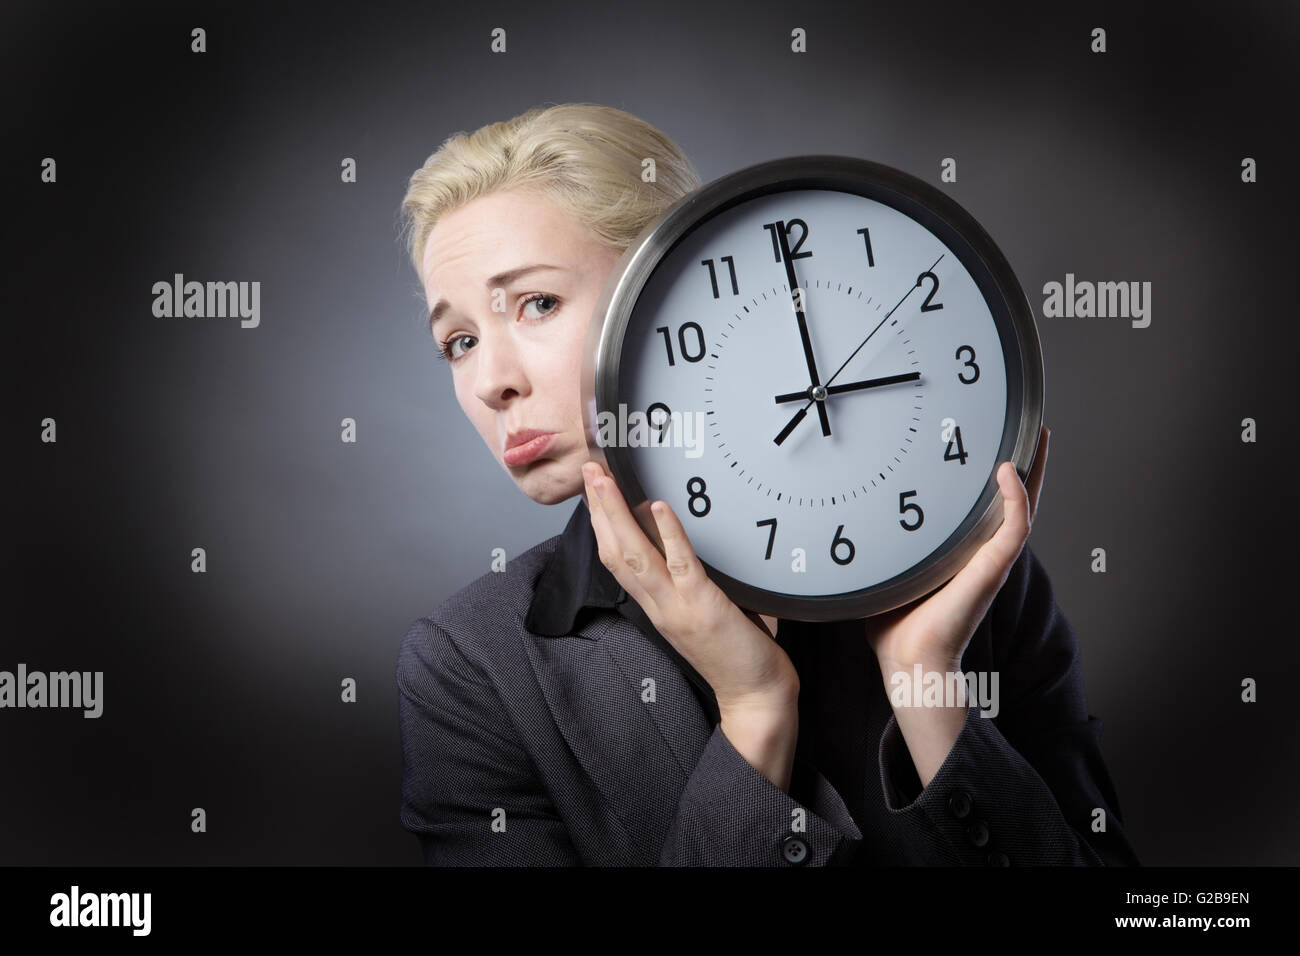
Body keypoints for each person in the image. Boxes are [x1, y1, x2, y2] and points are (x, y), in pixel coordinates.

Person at [394, 101, 1139, 866]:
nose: (490, 382)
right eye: (458, 342)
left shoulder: (975, 585)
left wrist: (927, 687)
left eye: (538, 303)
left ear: (666, 290)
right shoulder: (472, 666)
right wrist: (754, 716)